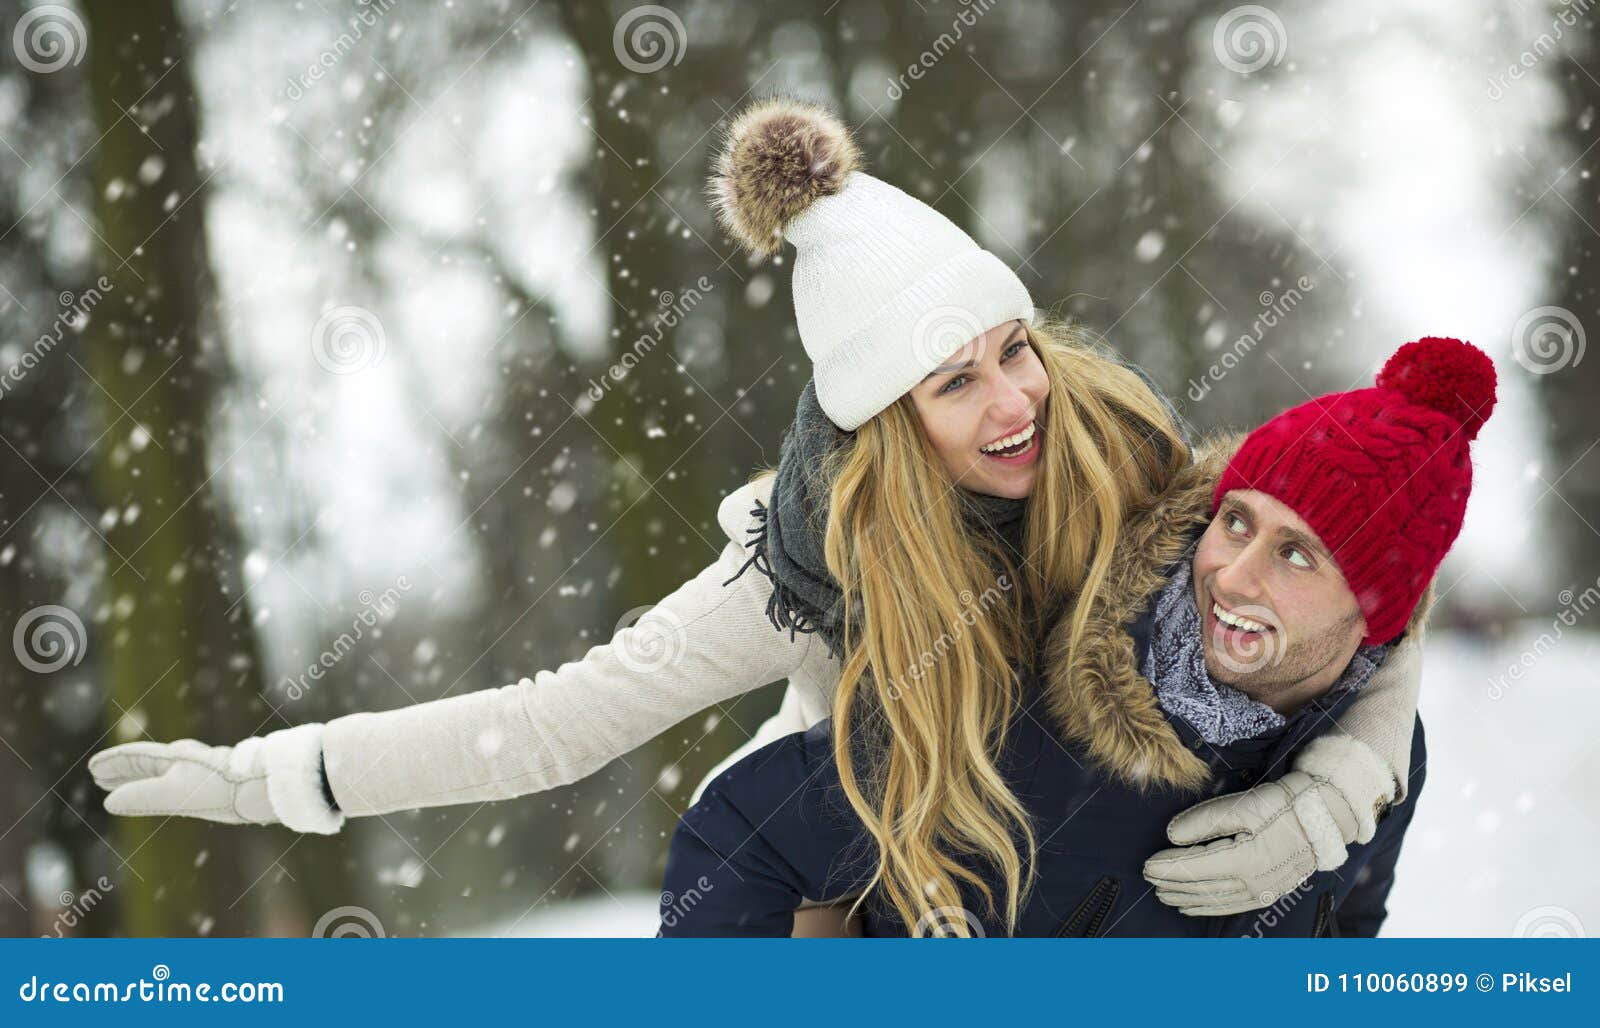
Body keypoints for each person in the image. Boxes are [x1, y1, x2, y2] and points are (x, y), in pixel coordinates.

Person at [88, 98, 1421, 922]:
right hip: (906, 889)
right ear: (883, 422)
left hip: (1117, 882)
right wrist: (284, 776)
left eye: (1013, 347)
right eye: (955, 382)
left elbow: (1368, 572)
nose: (1018, 398)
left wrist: (1339, 788)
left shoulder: (1114, 441)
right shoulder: (802, 568)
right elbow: (553, 723)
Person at [657, 336, 1496, 937]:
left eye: (1297, 555)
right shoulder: (1034, 686)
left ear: (1379, 615)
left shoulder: (1377, 762)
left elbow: (1347, 930)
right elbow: (742, 833)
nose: (1234, 576)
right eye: (1236, 521)